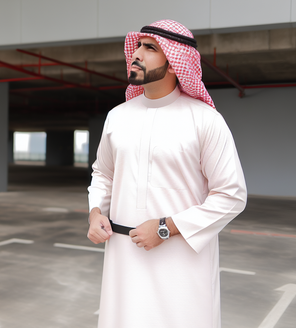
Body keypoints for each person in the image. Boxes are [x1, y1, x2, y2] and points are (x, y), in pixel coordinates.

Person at [87, 20, 247, 328]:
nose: (137, 54)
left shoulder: (205, 120)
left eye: (150, 48)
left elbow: (231, 195)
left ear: (175, 63)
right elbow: (103, 174)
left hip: (181, 258)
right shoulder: (117, 117)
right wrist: (95, 212)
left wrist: (165, 228)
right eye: (137, 46)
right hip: (122, 255)